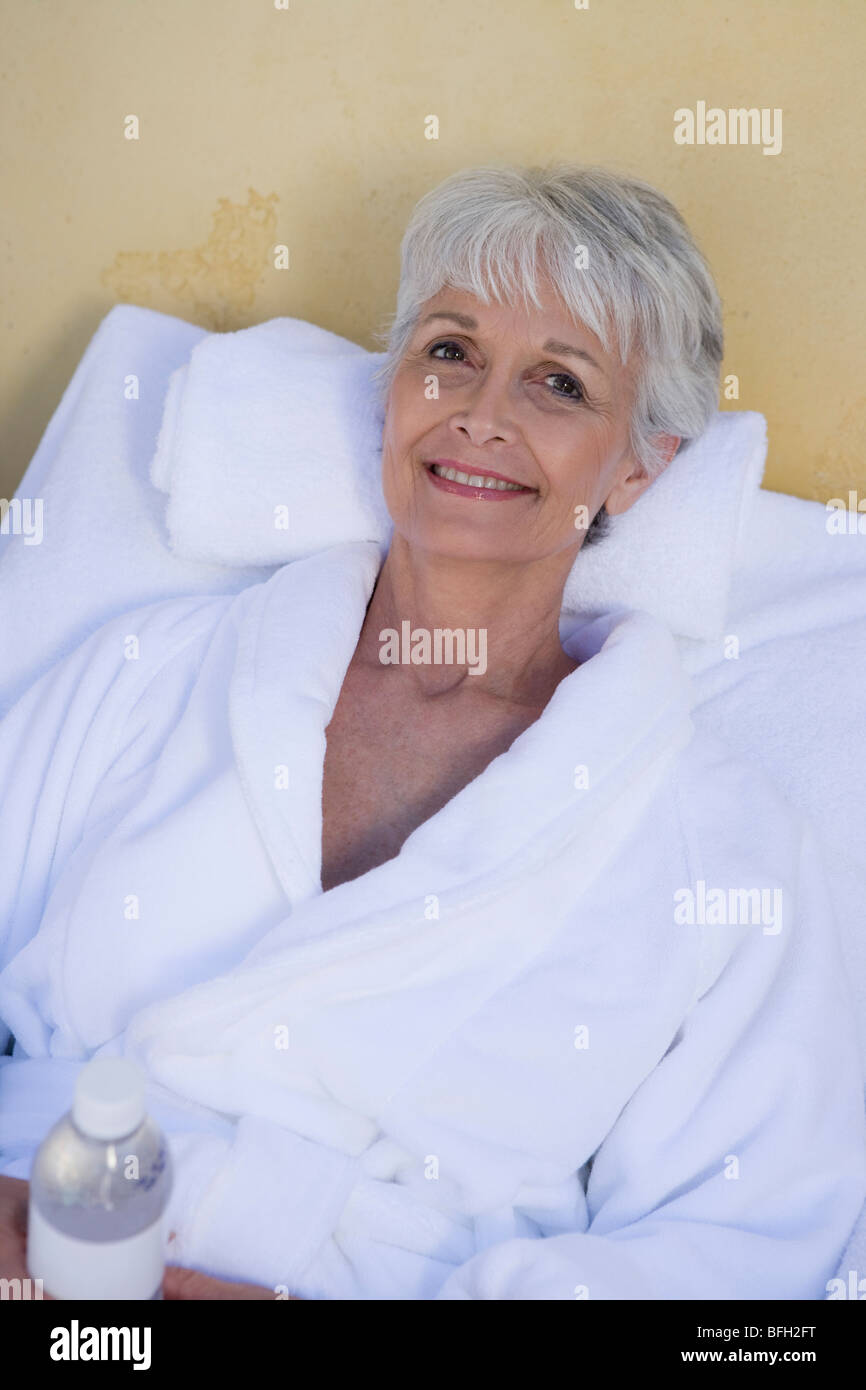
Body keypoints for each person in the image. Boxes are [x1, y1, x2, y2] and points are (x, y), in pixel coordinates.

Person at [0, 163, 863, 1300]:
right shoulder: (151, 677)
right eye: (448, 351)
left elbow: (741, 1266)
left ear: (640, 465)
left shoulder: (722, 849)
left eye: (558, 382)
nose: (481, 414)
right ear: (393, 386)